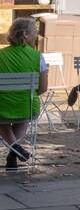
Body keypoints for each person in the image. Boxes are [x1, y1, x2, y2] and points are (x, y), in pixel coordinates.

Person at [0, 17, 48, 170]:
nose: (36, 35)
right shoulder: (37, 56)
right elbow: (43, 88)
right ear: (25, 34)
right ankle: (14, 150)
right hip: (27, 107)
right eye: (34, 32)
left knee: (2, 119)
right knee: (23, 117)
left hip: (2, 106)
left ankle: (14, 148)